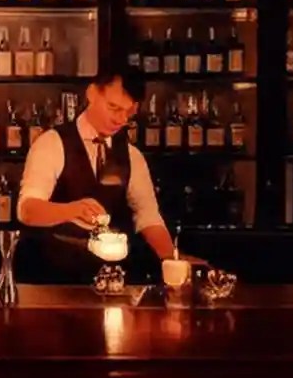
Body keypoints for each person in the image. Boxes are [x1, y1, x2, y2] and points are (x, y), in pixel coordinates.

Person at [16, 67, 196, 284]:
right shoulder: (52, 144)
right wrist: (73, 209)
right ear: (92, 93)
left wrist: (174, 261)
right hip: (53, 279)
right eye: (113, 107)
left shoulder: (131, 155)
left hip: (111, 281)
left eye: (127, 112)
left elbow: (148, 217)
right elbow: (27, 211)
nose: (120, 119)